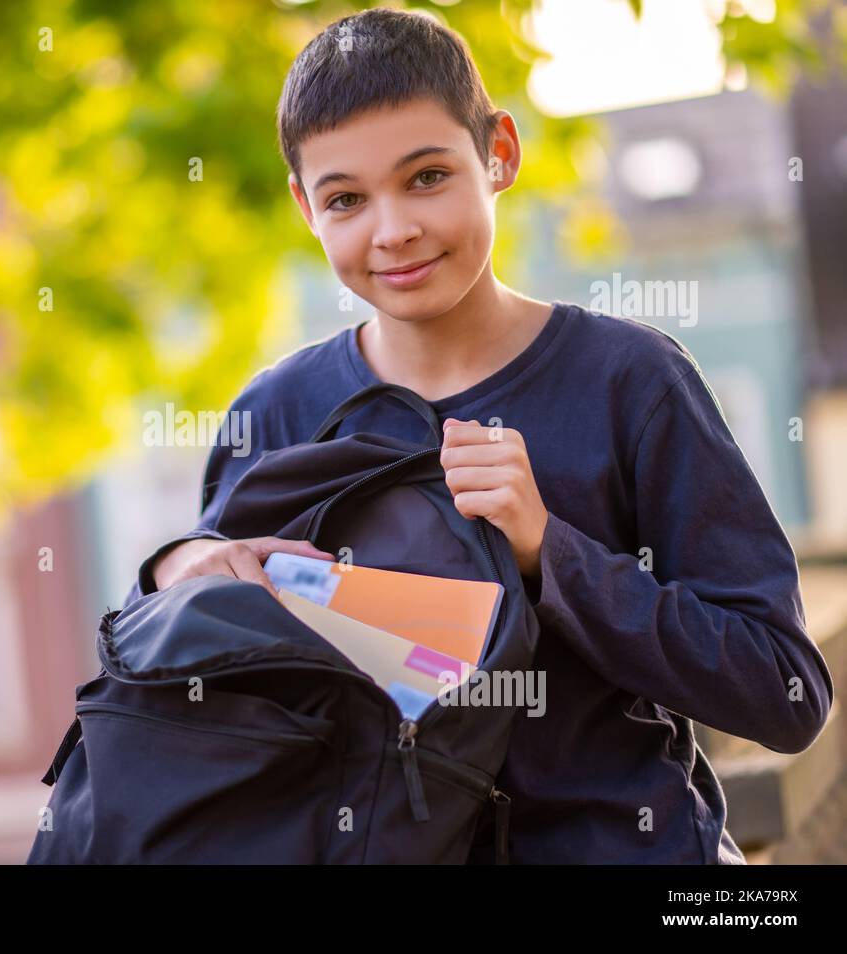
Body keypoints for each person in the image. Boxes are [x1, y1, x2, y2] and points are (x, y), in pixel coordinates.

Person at [118, 6, 832, 863]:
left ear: (499, 153)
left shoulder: (630, 382)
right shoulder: (274, 413)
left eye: (425, 177)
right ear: (307, 208)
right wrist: (172, 572)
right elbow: (191, 691)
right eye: (347, 198)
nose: (393, 230)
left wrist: (551, 555)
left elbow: (783, 690)